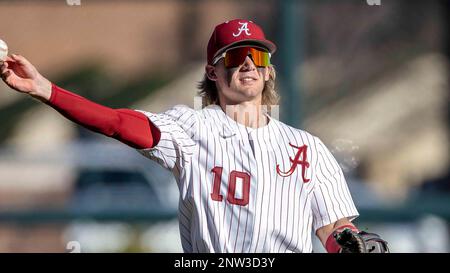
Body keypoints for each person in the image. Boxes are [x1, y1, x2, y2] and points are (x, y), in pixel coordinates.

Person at [0, 19, 388, 253]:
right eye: (235, 57)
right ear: (213, 73)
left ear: (269, 71)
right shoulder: (191, 128)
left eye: (259, 56)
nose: (249, 64)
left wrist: (348, 242)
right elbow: (118, 123)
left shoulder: (308, 148)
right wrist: (46, 90)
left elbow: (333, 228)